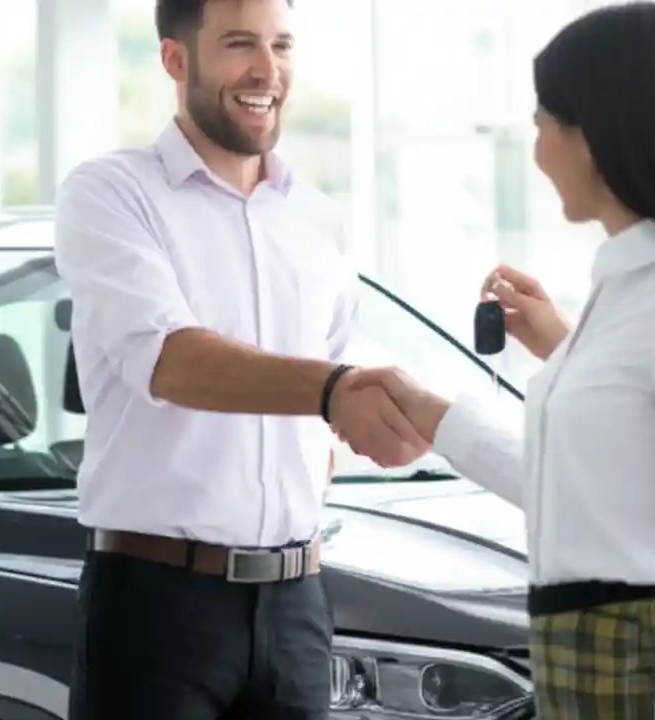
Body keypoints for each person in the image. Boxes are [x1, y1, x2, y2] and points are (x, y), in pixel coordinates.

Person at [349, 3, 655, 718]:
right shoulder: (624, 295)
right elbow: (578, 495)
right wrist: (434, 414)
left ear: (596, 133)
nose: (536, 154)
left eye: (541, 125)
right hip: (589, 677)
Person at [52, 0, 426, 717]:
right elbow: (169, 359)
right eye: (238, 44)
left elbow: (325, 413)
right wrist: (334, 390)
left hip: (297, 605)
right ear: (175, 59)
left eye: (281, 45)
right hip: (157, 607)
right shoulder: (111, 193)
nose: (267, 70)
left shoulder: (316, 218)